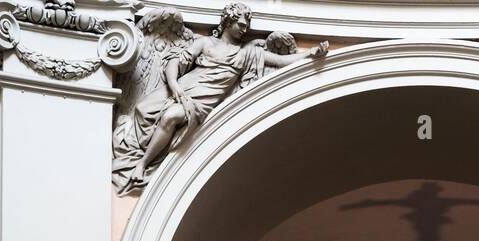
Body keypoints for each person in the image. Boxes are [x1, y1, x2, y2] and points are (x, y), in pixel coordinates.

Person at [113, 4, 328, 194]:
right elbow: (174, 64)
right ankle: (142, 158)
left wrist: (309, 54)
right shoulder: (205, 43)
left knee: (170, 117)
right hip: (182, 90)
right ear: (228, 22)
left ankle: (142, 163)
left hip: (200, 103)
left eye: (247, 25)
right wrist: (175, 86)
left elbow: (281, 60)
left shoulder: (247, 54)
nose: (245, 28)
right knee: (142, 109)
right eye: (241, 23)